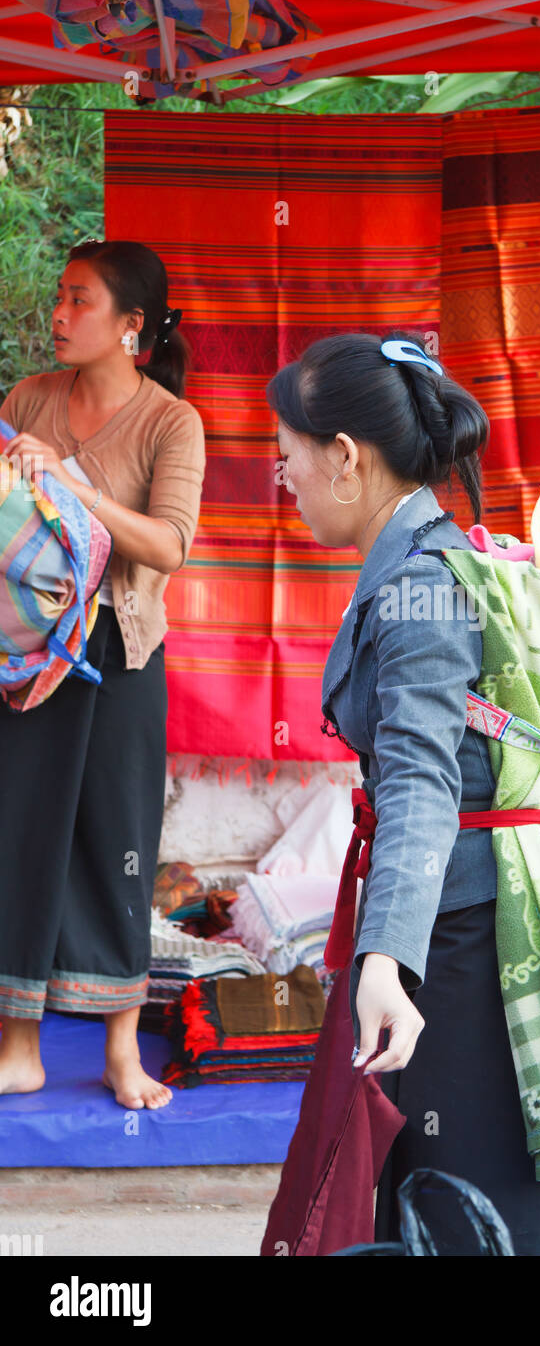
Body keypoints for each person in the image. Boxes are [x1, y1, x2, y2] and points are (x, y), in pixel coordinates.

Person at [266, 329, 540, 1255]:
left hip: (472, 950)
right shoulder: (421, 560)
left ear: (346, 459)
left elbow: (422, 785)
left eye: (289, 461)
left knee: (479, 1203)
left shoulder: (423, 586)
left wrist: (386, 965)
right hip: (466, 926)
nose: (285, 482)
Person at [0, 239, 206, 1111]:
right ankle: (20, 1048)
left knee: (118, 846)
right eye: (57, 298)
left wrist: (71, 488)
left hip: (120, 653)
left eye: (79, 301)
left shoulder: (170, 422)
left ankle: (123, 1053)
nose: (58, 314)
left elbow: (169, 545)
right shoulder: (26, 399)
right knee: (21, 838)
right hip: (28, 655)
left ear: (131, 327)